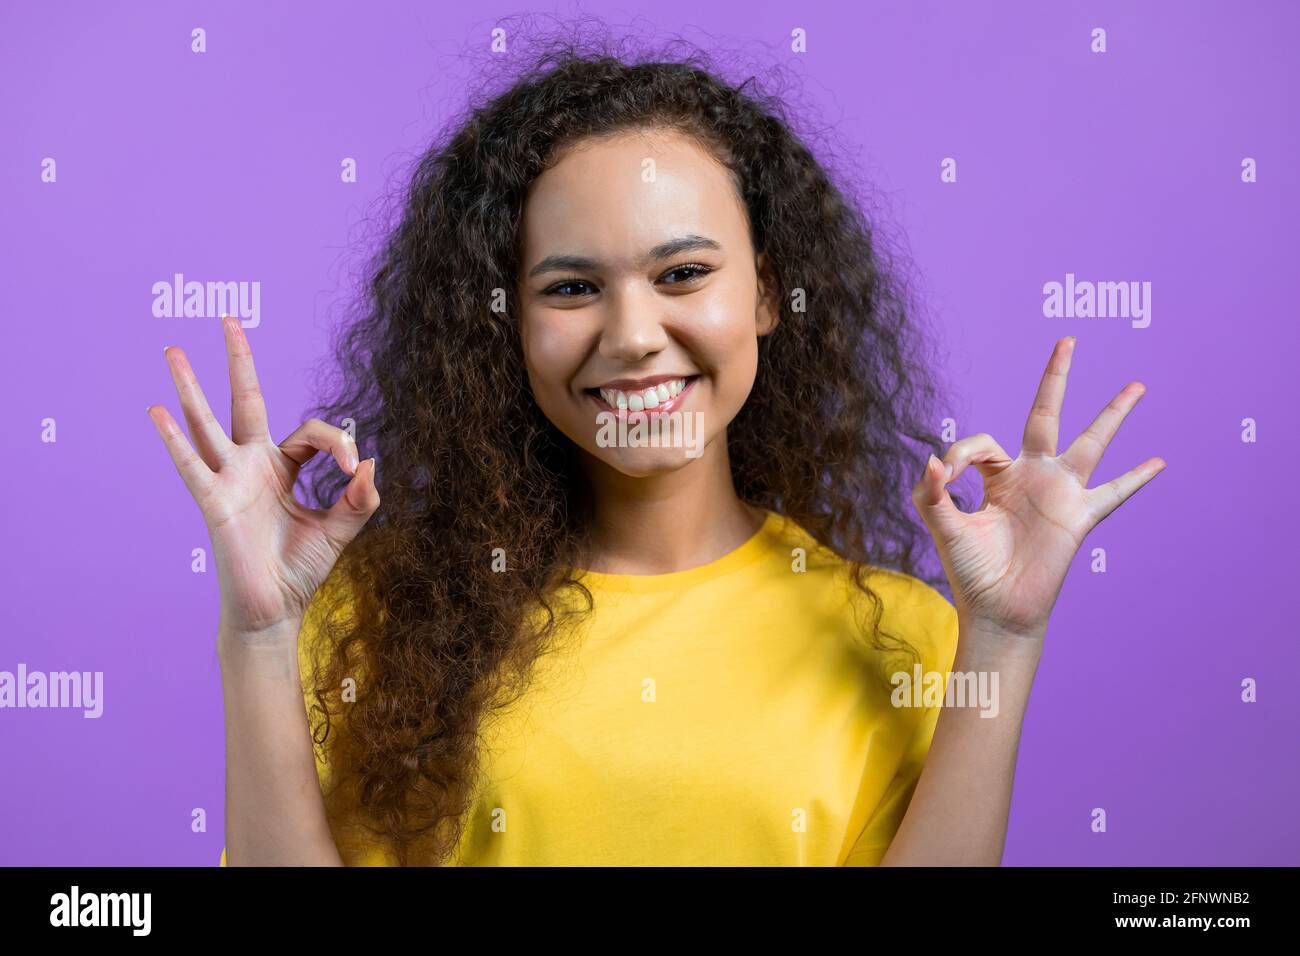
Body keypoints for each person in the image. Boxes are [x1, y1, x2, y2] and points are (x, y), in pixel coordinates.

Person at [147, 37, 1163, 866]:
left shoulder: (906, 638)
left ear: (767, 292)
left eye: (681, 272)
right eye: (571, 287)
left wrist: (1007, 638)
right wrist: (261, 633)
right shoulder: (388, 625)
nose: (632, 333)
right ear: (503, 323)